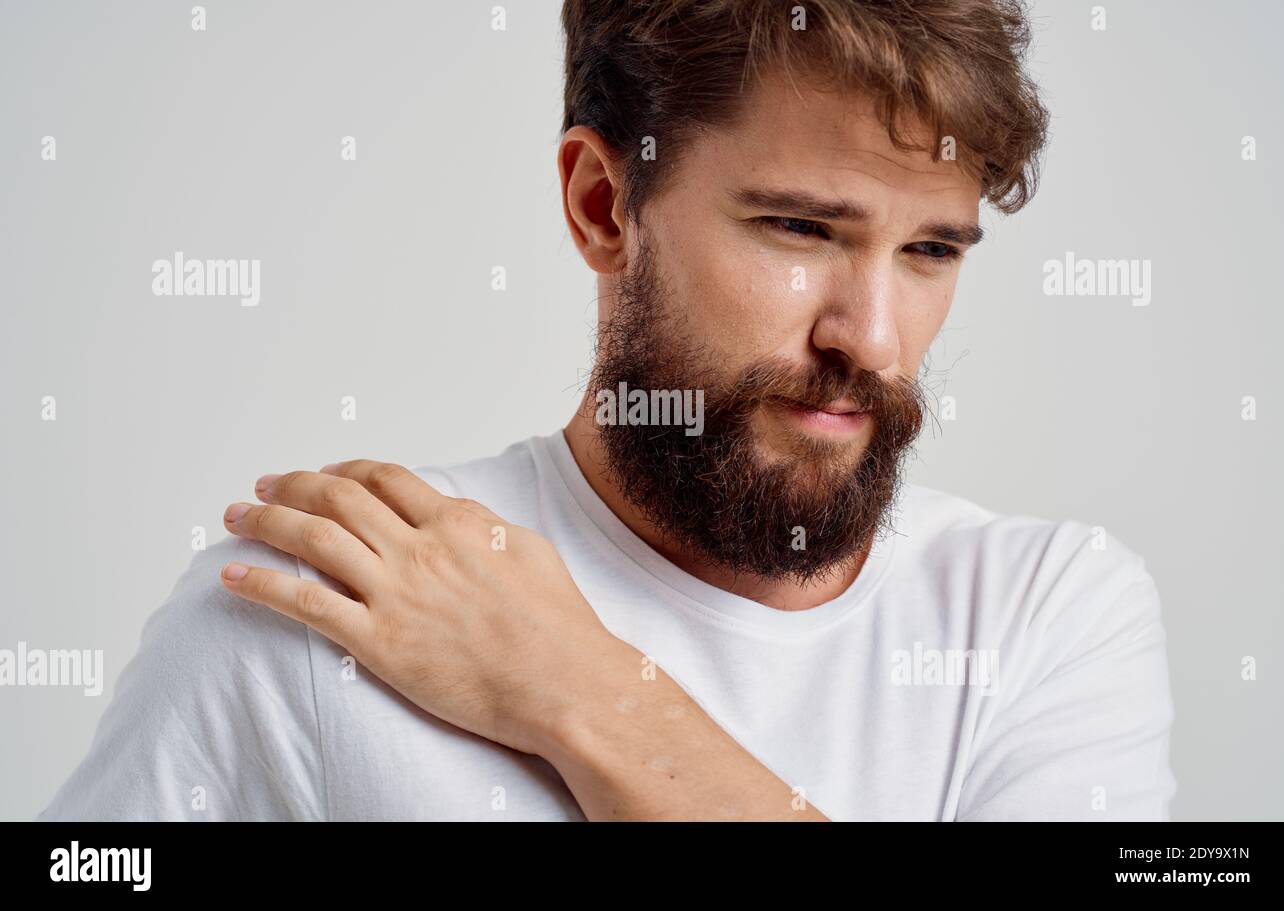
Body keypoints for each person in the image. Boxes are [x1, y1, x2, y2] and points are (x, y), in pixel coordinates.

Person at [38, 0, 1175, 822]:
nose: (872, 340)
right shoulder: (336, 598)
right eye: (799, 230)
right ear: (601, 202)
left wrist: (574, 684)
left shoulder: (1044, 616)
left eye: (930, 249)